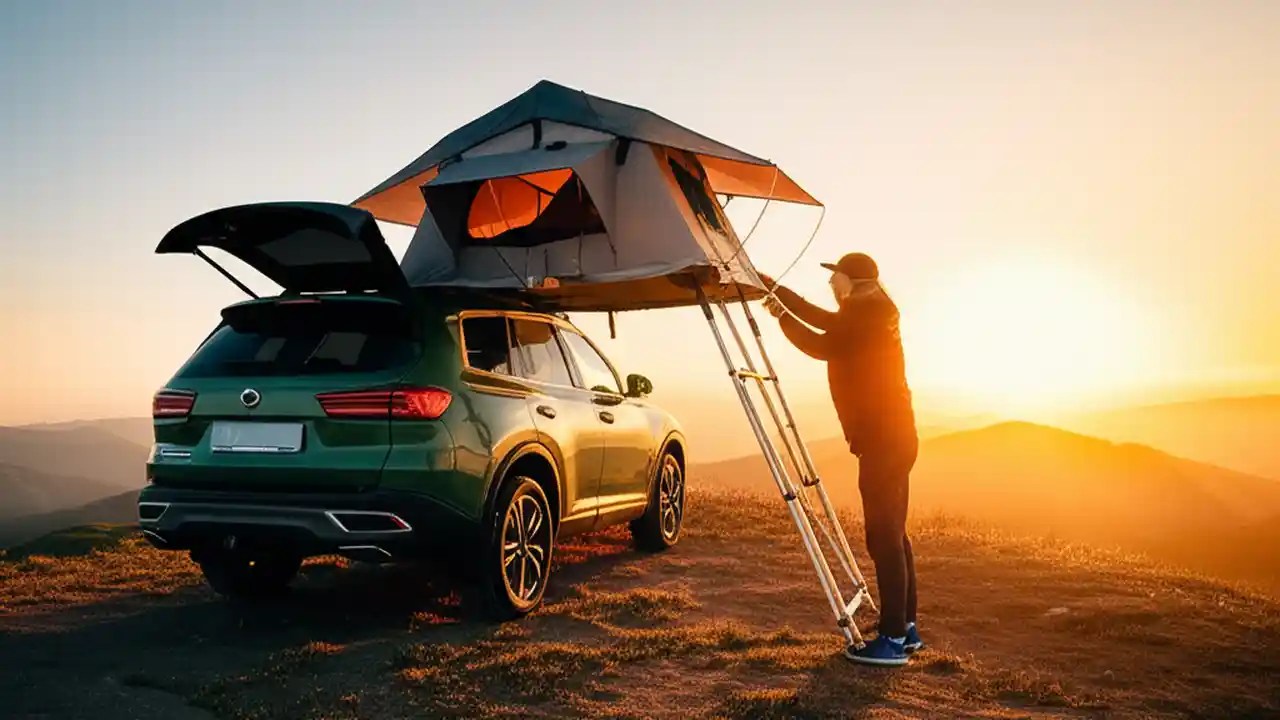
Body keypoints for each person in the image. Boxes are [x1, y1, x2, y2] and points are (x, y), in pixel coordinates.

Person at [758, 252, 922, 667]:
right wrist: (775, 290)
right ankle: (905, 629)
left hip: (884, 441)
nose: (831, 285)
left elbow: (821, 345)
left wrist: (779, 315)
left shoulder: (866, 316)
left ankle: (891, 640)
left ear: (851, 280)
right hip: (896, 437)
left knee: (883, 538)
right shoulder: (869, 310)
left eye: (836, 278)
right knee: (893, 535)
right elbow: (822, 319)